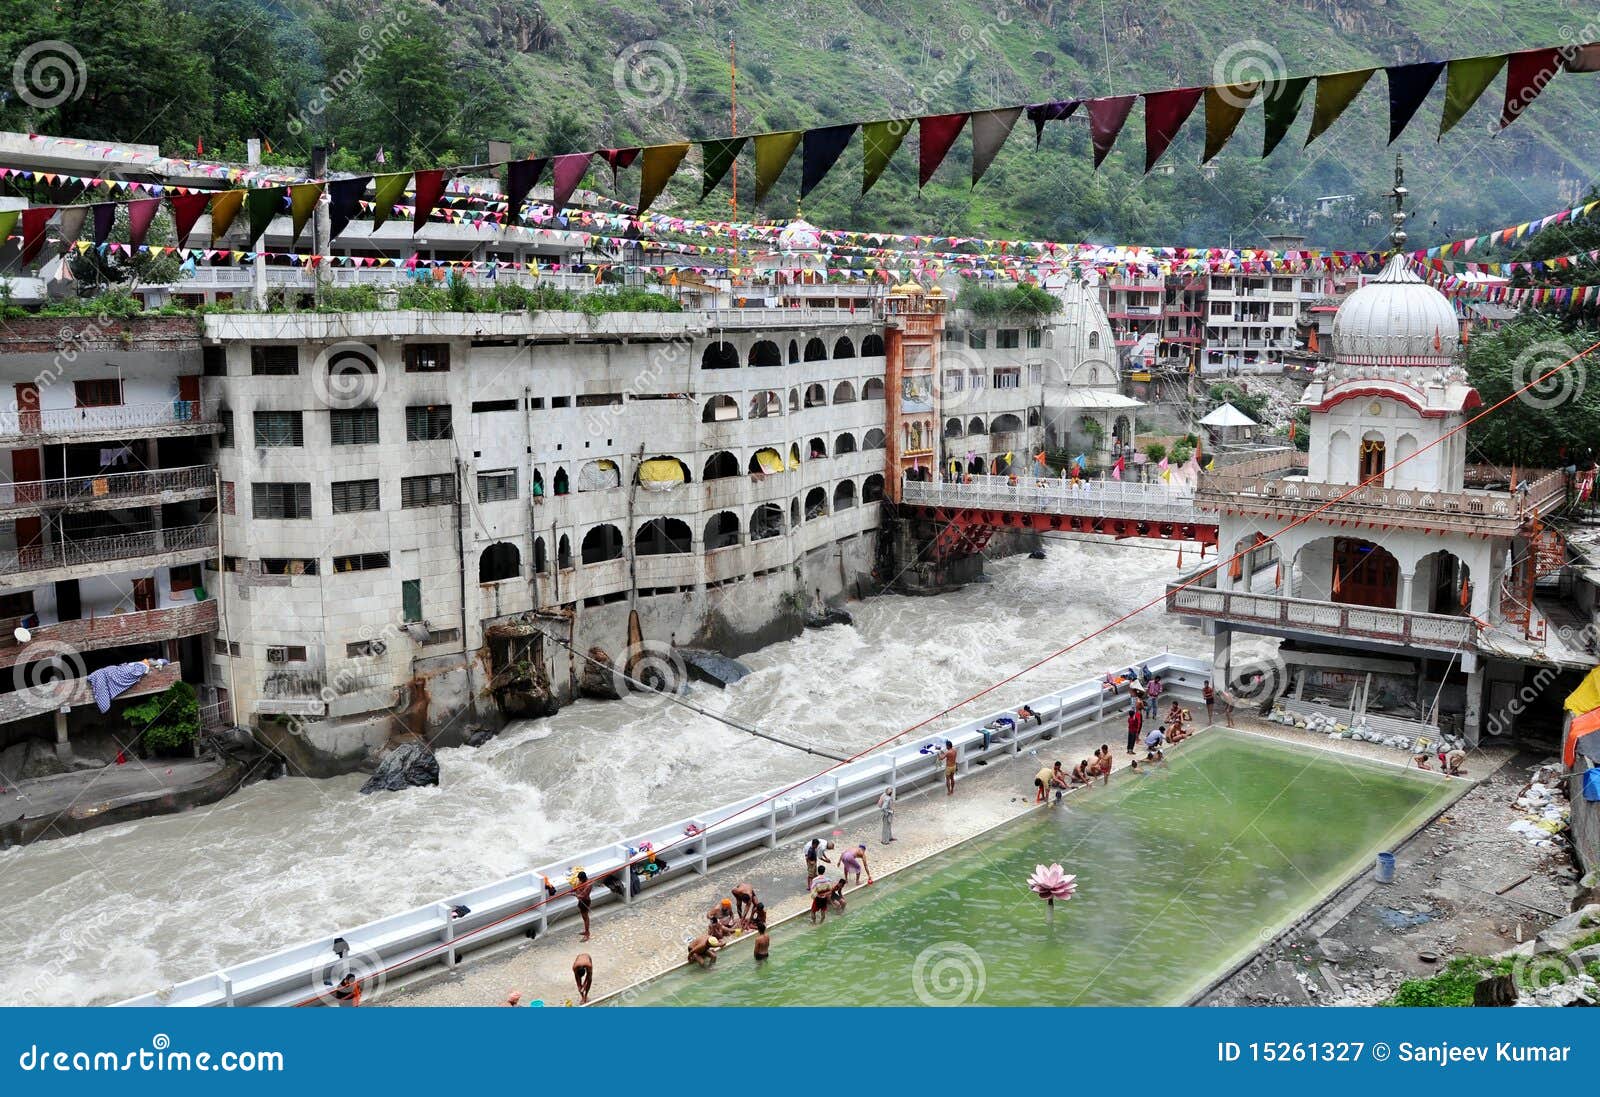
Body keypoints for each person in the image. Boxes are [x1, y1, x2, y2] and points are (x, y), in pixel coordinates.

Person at [573, 870, 593, 942]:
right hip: (581, 901)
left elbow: (583, 895)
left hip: (585, 901)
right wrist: (575, 891)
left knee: (585, 917)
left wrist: (576, 895)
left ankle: (587, 933)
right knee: (583, 917)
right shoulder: (581, 882)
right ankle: (586, 931)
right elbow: (577, 889)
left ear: (584, 878)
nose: (579, 880)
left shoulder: (588, 884)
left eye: (580, 879)